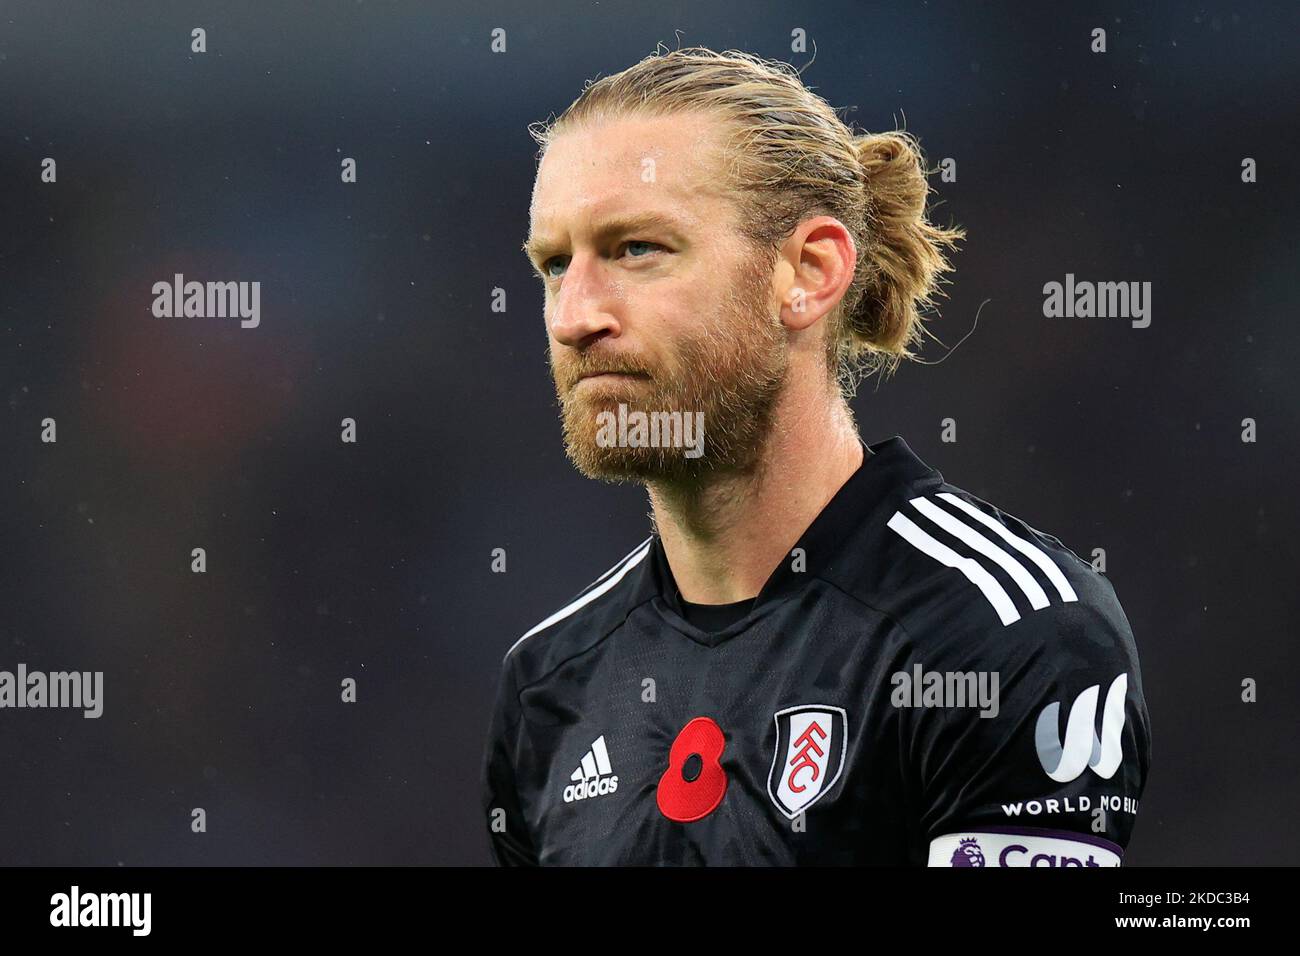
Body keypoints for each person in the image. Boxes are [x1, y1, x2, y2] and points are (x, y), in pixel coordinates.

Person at [482, 47, 1150, 865]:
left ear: (810, 270)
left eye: (636, 249)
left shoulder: (1007, 632)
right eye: (555, 264)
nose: (573, 316)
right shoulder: (550, 680)